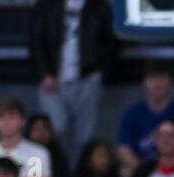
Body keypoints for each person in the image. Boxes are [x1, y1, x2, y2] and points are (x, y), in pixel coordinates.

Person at [28, 0, 116, 157]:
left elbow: (109, 43)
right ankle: (52, 175)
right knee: (55, 130)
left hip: (87, 80)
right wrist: (44, 73)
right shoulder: (45, 6)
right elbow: (36, 42)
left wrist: (98, 74)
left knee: (84, 137)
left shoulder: (100, 8)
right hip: (53, 81)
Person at [116, 62, 174, 177]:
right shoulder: (132, 114)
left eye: (162, 78)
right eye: (152, 79)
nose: (157, 84)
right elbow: (124, 149)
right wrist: (144, 171)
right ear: (144, 83)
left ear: (171, 83)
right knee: (125, 173)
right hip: (141, 169)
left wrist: (167, 168)